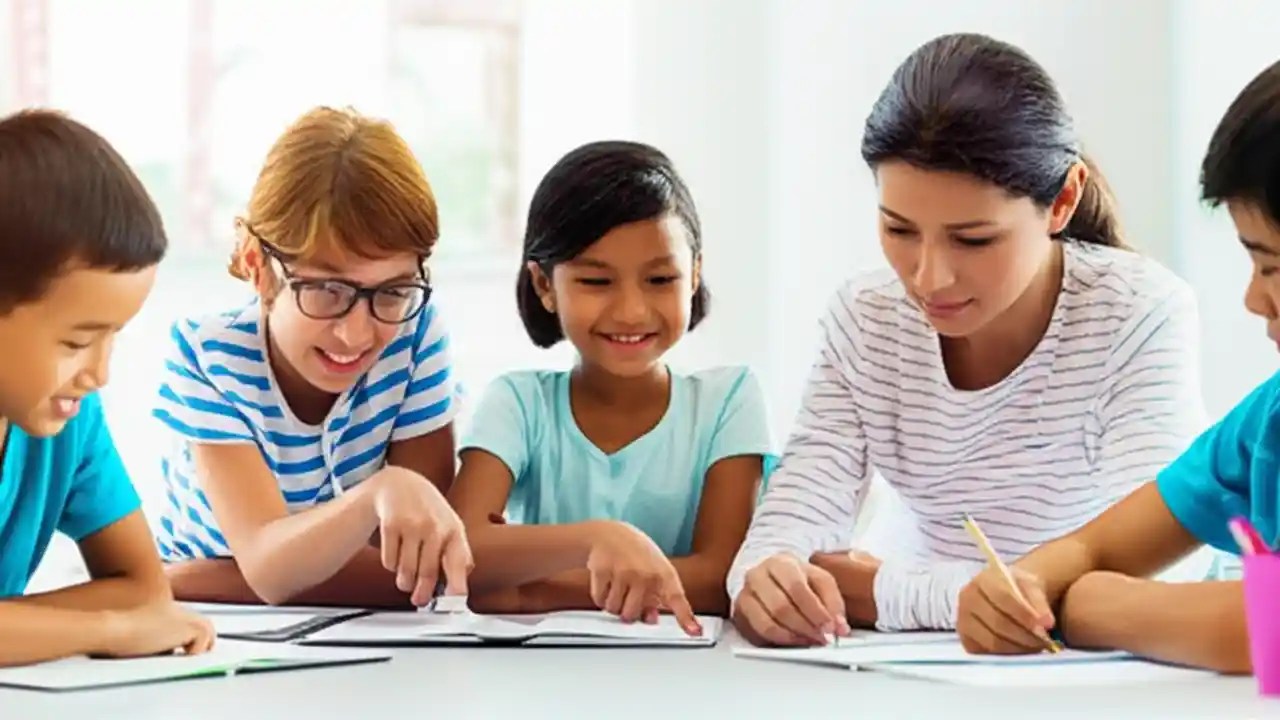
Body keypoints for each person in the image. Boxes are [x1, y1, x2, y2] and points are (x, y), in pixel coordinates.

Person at [728, 33, 1207, 647]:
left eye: (973, 239)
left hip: (1074, 667)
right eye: (899, 229)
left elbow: (1160, 567)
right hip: (902, 661)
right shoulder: (867, 318)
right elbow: (776, 545)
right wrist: (771, 584)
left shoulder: (1138, 312)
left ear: (1061, 201)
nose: (929, 278)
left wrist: (882, 591)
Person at [954, 59, 1280, 676]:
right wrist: (1018, 589)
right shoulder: (1269, 420)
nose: (1253, 299)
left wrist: (1086, 605)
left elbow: (1265, 628)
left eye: (1272, 268)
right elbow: (1093, 544)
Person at [447, 141, 773, 634]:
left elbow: (722, 578)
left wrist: (533, 590)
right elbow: (461, 554)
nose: (631, 312)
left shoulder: (729, 400)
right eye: (597, 282)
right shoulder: (517, 402)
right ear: (544, 286)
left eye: (660, 279)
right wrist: (596, 540)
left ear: (695, 275)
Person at [153, 107, 470, 608]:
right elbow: (271, 569)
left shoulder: (414, 331)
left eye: (391, 291)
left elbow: (422, 569)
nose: (356, 332)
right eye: (326, 290)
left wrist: (196, 579)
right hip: (219, 636)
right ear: (259, 267)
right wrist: (376, 494)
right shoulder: (209, 356)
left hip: (327, 630)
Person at [0, 109, 214, 666]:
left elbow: (145, 590)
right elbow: (131, 615)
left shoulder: (69, 418)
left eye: (112, 338)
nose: (99, 373)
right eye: (75, 343)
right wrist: (106, 629)